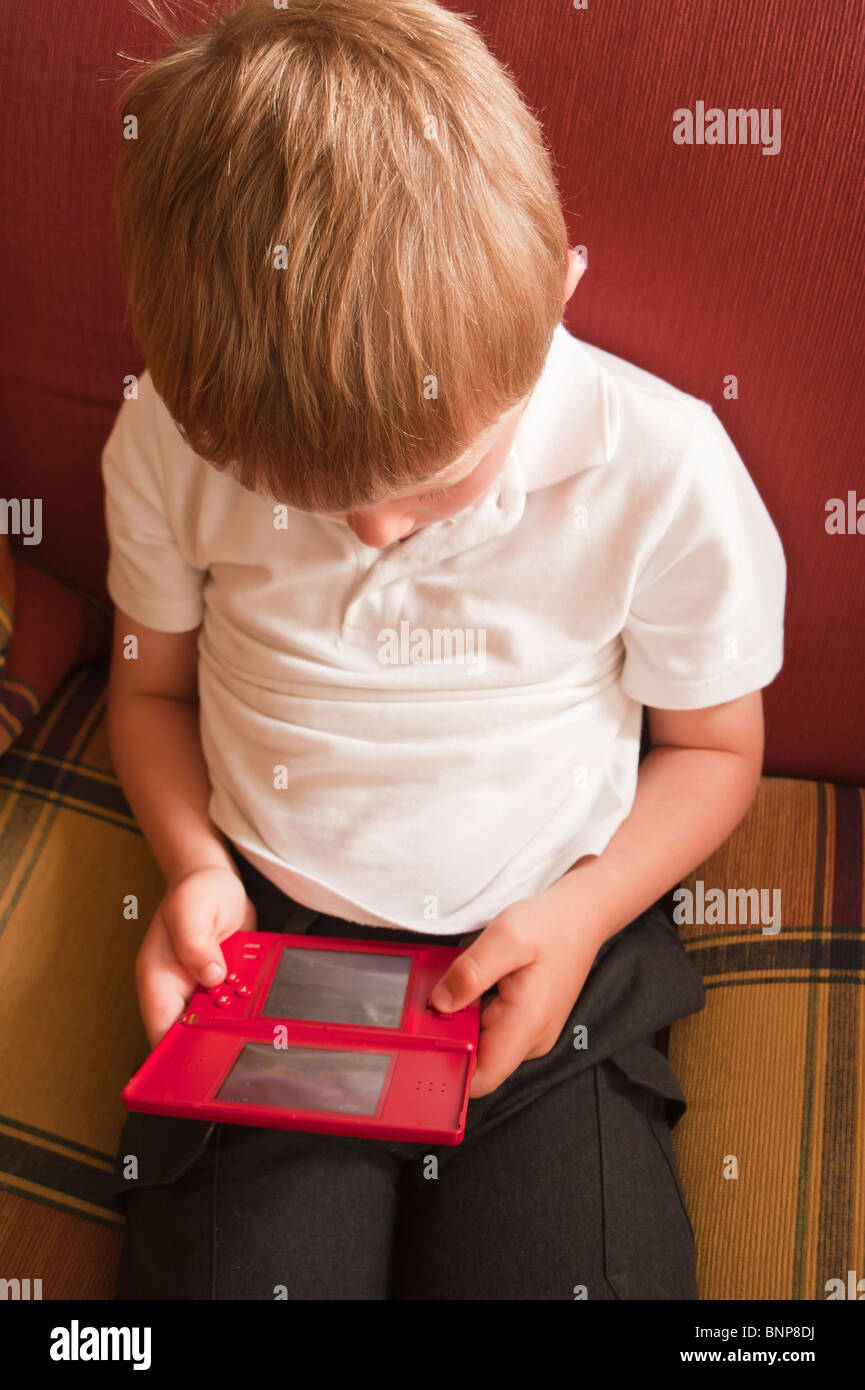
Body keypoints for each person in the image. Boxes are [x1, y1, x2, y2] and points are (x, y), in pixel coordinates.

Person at [104, 0, 785, 1299]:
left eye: (433, 479)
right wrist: (193, 870)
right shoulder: (168, 441)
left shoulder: (663, 464)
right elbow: (149, 689)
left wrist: (580, 913)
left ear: (556, 299)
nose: (369, 529)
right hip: (270, 930)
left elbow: (713, 742)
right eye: (297, 493)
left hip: (556, 920)